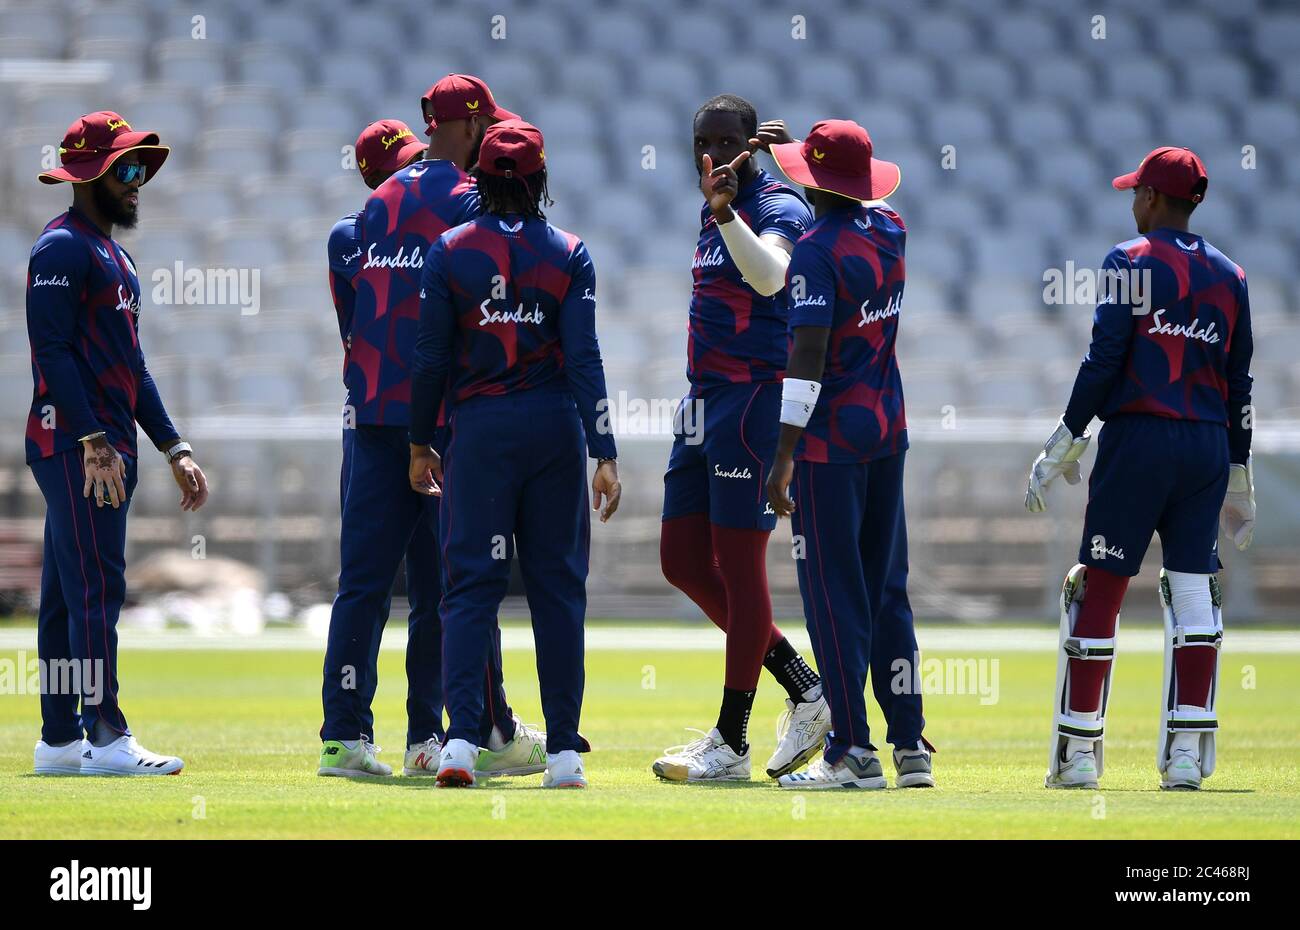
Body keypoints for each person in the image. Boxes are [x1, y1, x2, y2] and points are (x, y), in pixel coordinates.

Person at [319, 78, 544, 779]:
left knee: (363, 583)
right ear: (472, 127)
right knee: (454, 588)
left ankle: (344, 739)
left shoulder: (371, 209)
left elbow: (357, 324)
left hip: (373, 416)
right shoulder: (472, 199)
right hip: (445, 421)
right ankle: (461, 733)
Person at [1027, 146, 1254, 791]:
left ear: (1152, 198)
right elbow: (1240, 384)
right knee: (1193, 591)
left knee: (1100, 589)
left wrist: (1067, 437)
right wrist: (1239, 469)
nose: (1133, 204)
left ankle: (1079, 756)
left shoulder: (1127, 261)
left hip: (1139, 442)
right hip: (1206, 446)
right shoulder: (1233, 275)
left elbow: (1104, 359)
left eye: (1136, 194)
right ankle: (1185, 758)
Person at [409, 119, 621, 789]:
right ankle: (563, 755)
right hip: (554, 430)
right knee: (558, 590)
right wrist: (604, 451)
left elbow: (430, 358)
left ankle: (461, 745)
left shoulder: (447, 251)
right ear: (540, 179)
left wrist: (420, 442)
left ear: (479, 179)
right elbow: (585, 358)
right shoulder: (571, 253)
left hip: (479, 435)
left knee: (469, 590)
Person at [653, 96, 830, 784]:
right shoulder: (713, 207)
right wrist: (720, 210)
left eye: (728, 141)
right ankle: (806, 687)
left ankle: (731, 742)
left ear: (752, 145)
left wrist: (727, 213)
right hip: (703, 400)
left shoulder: (778, 205)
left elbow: (774, 276)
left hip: (753, 399)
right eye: (704, 141)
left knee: (739, 562)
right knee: (681, 560)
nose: (714, 153)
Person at [28, 111, 209, 776]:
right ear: (87, 176)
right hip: (79, 448)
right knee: (97, 588)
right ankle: (106, 734)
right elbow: (51, 350)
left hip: (101, 444)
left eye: (141, 169)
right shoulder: (61, 248)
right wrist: (92, 440)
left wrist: (174, 447)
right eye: (124, 168)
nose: (137, 181)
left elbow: (133, 368)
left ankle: (58, 741)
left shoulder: (114, 256)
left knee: (66, 594)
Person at [764, 119, 933, 789]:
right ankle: (910, 746)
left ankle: (852, 753)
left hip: (830, 444)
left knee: (833, 596)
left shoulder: (813, 253)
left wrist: (783, 454)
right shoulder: (892, 229)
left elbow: (806, 355)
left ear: (811, 180)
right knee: (887, 592)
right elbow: (852, 207)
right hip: (887, 430)